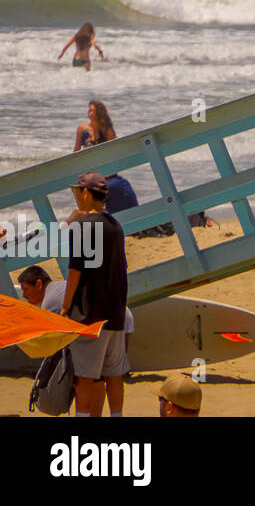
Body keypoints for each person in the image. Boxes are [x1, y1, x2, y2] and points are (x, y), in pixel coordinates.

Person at [58, 172, 129, 417]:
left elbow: (75, 270)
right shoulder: (116, 226)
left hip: (89, 314)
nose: (77, 196)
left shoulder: (81, 226)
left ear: (86, 193)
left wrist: (66, 307)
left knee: (85, 376)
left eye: (78, 191)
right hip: (115, 313)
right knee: (114, 373)